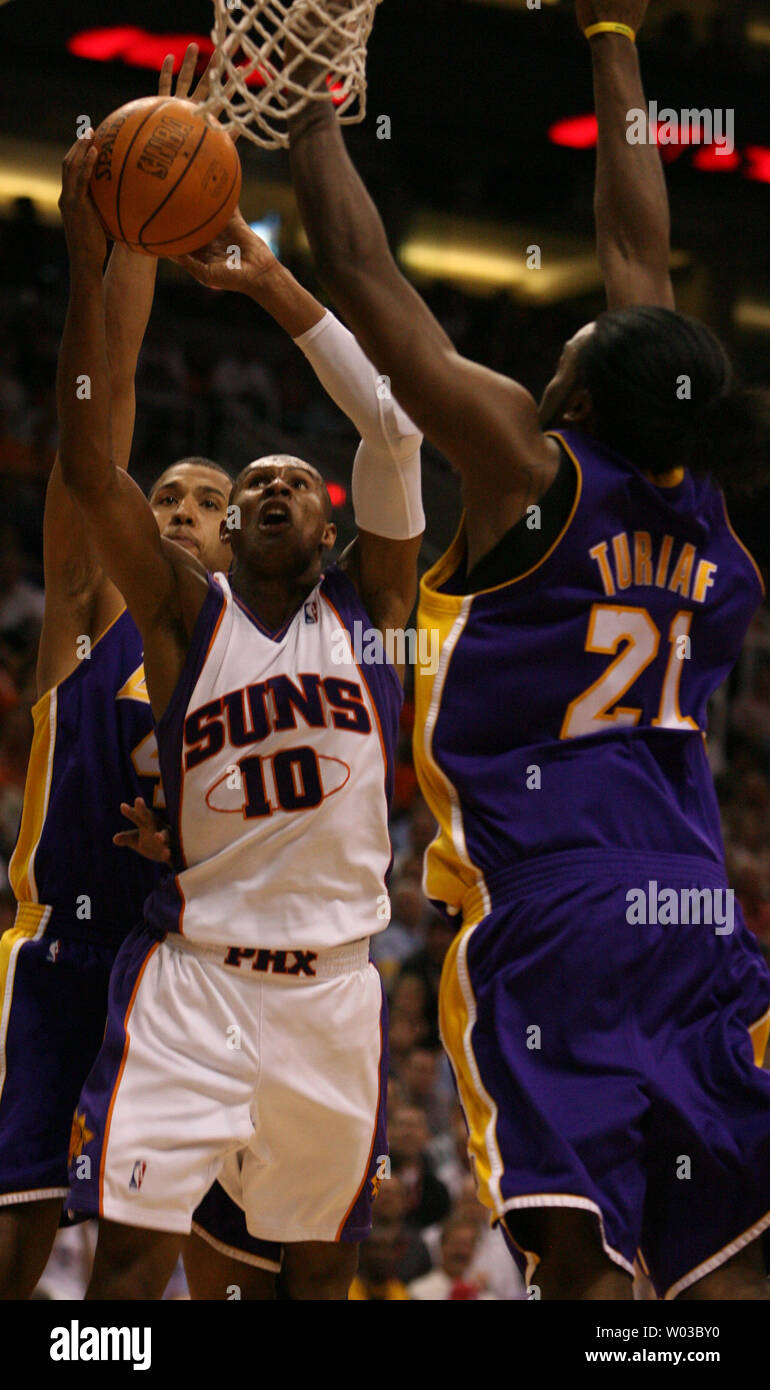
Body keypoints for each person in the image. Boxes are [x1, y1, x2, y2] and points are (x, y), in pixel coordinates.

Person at [285, 0, 770, 1299]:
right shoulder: (697, 499)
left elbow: (363, 276)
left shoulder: (525, 468)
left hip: (552, 911)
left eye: (565, 349)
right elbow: (637, 251)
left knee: (580, 1266)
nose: (555, 349)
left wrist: (307, 104)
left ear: (577, 395)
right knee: (722, 1266)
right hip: (696, 910)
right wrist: (611, 30)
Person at [56, 119, 424, 1300]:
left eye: (293, 484)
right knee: (126, 1266)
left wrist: (273, 284)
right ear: (225, 525)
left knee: (318, 1276)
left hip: (335, 993)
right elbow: (90, 468)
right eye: (249, 484)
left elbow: (393, 425)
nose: (269, 489)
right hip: (195, 979)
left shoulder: (377, 610)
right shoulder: (183, 616)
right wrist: (89, 260)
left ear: (330, 522)